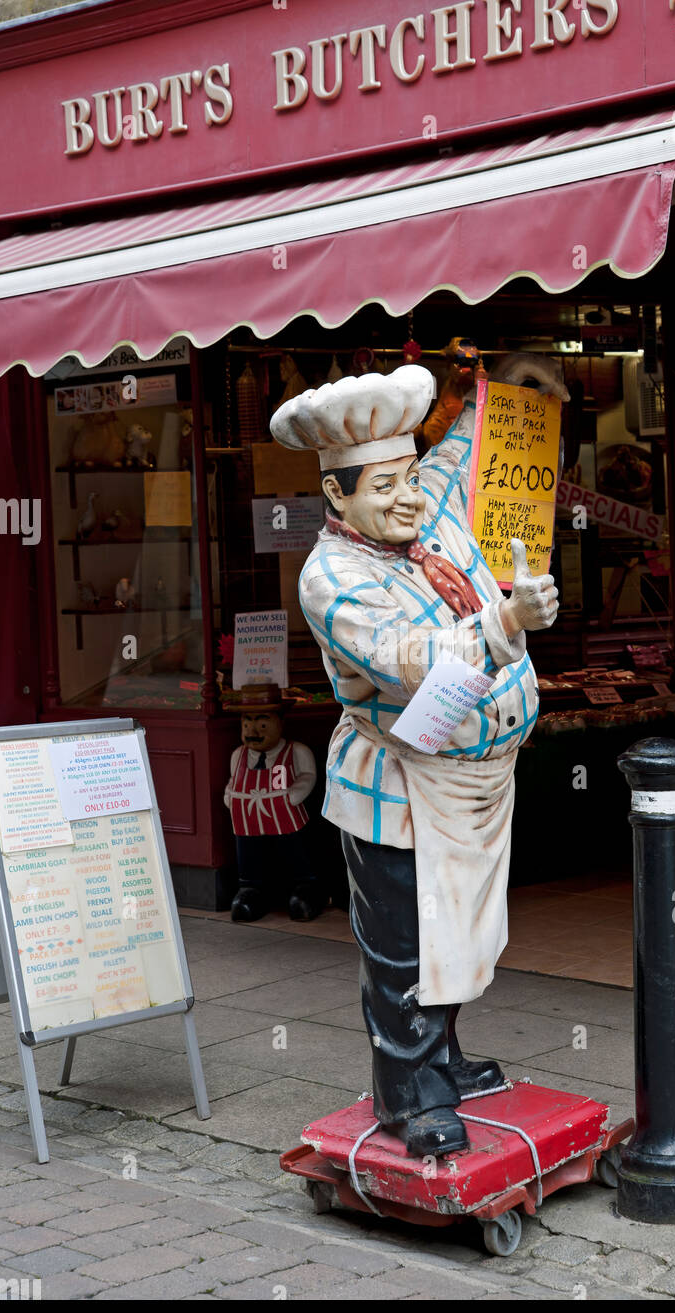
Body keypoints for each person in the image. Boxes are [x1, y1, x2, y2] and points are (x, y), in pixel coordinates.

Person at [270, 361, 566, 1157]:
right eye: (380, 487)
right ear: (337, 496)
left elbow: (464, 453)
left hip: (479, 783)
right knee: (405, 949)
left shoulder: (426, 500)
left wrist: (512, 391)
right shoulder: (330, 577)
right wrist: (506, 621)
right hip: (397, 789)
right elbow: (410, 658)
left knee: (460, 940)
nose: (405, 497)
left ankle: (446, 1060)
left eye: (406, 477)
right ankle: (411, 1095)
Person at [223, 683, 326, 923]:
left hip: (286, 821)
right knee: (250, 854)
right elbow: (233, 779)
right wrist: (229, 795)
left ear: (280, 722)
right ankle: (251, 888)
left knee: (293, 850)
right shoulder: (238, 755)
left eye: (261, 724)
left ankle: (304, 887)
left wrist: (293, 795)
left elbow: (308, 776)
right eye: (247, 724)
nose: (253, 731)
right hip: (247, 824)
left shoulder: (296, 751)